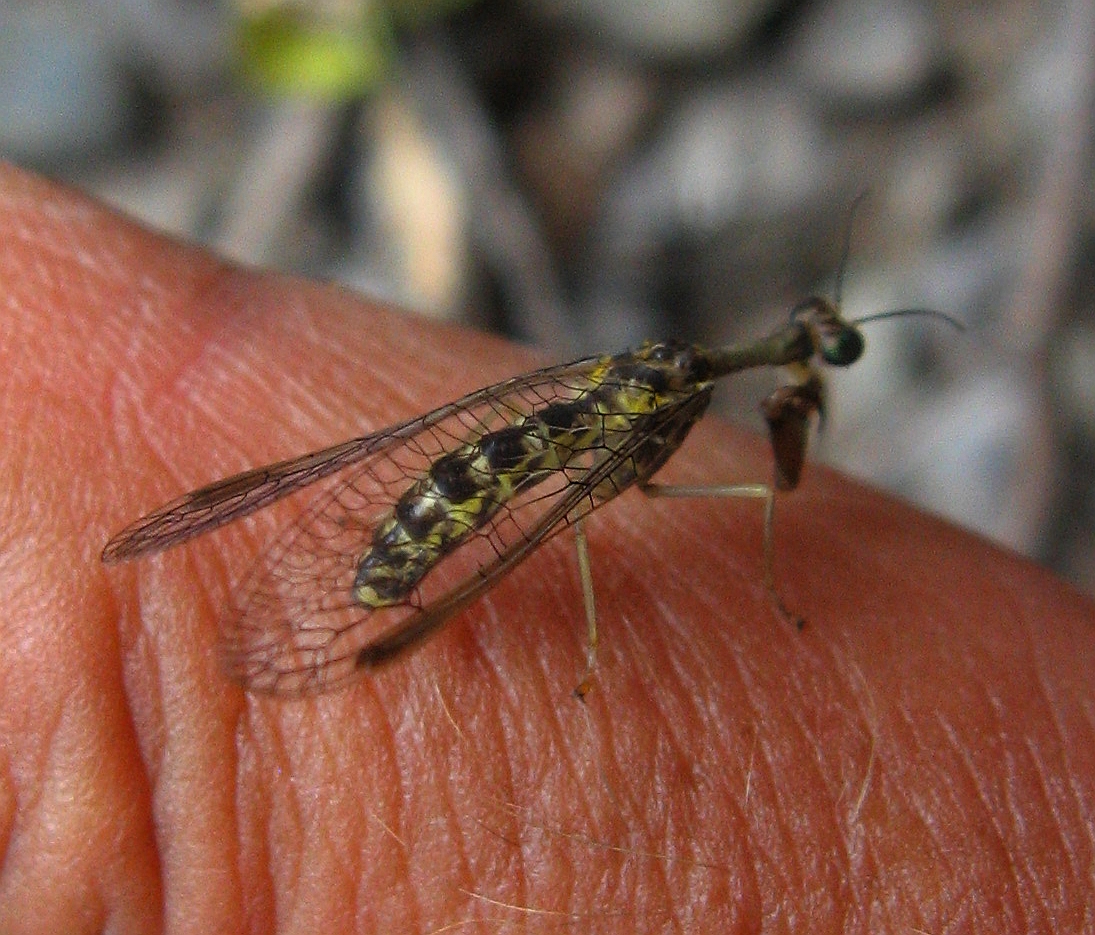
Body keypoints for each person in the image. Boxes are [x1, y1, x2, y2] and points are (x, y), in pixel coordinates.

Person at [1, 162, 1090, 933]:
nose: (819, 348)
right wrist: (589, 656)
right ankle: (414, 615)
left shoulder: (681, 370)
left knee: (580, 485)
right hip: (456, 507)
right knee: (582, 509)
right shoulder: (690, 389)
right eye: (824, 341)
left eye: (827, 345)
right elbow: (581, 511)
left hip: (510, 449)